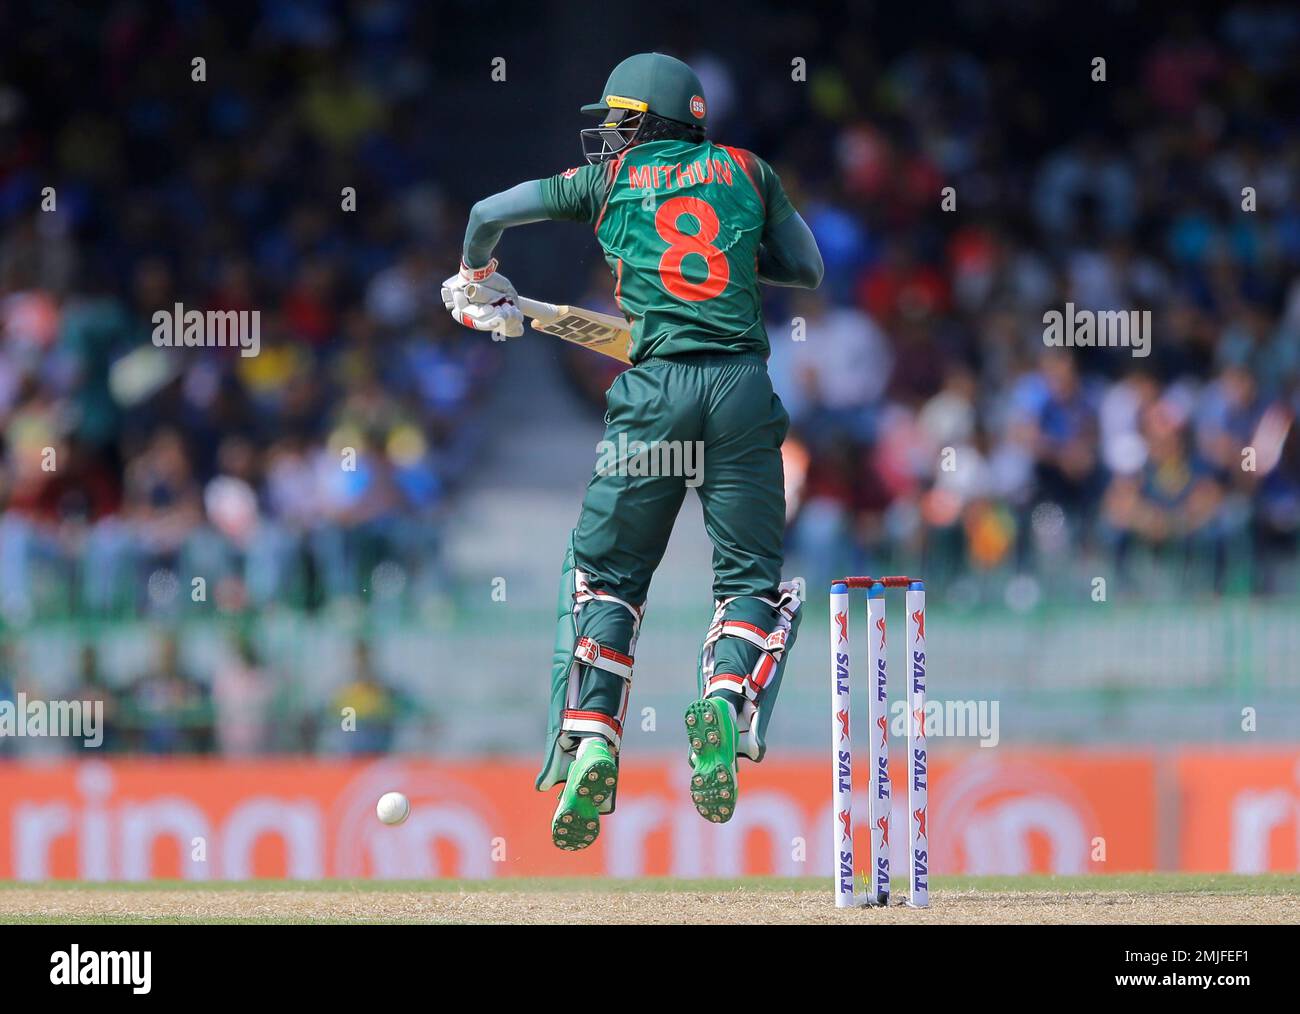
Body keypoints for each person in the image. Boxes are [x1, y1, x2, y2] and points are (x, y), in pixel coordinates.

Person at [443, 53, 823, 851]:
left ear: (648, 122)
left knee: (608, 577)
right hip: (742, 390)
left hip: (652, 397)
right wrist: (732, 255)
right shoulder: (749, 170)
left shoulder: (605, 185)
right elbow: (807, 268)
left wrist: (477, 273)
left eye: (618, 120)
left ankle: (591, 740)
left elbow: (487, 209)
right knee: (749, 579)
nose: (609, 135)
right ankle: (723, 701)